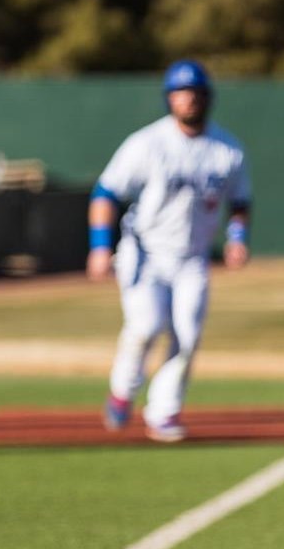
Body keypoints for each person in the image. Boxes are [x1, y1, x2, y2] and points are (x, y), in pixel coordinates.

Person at [86, 59, 252, 442]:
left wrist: (237, 238)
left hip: (192, 258)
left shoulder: (227, 149)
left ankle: (164, 411)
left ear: (207, 98)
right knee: (146, 326)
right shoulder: (147, 143)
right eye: (181, 93)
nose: (188, 100)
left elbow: (240, 200)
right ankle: (123, 390)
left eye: (195, 93)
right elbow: (106, 193)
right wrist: (99, 247)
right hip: (145, 253)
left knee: (188, 336)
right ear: (169, 99)